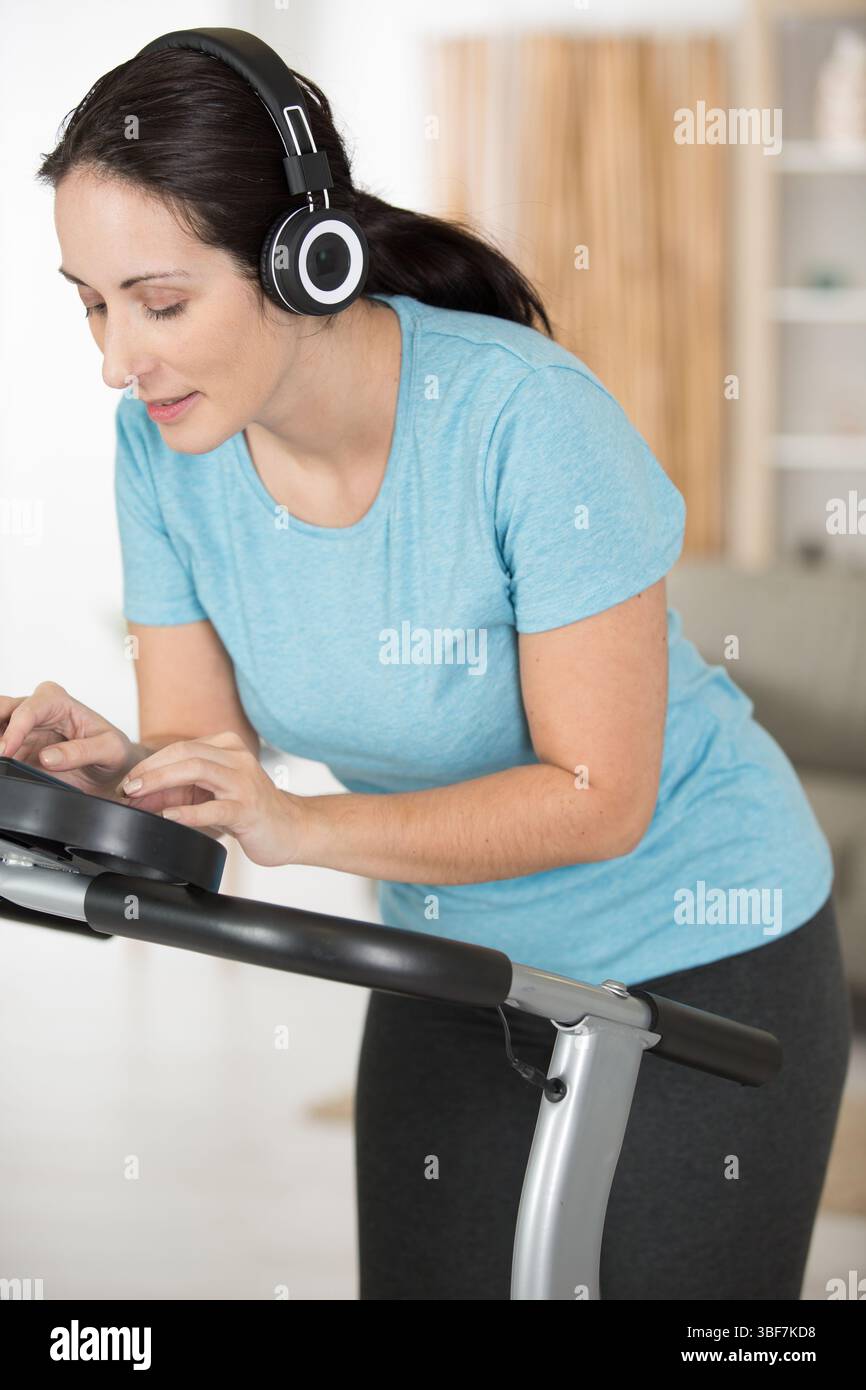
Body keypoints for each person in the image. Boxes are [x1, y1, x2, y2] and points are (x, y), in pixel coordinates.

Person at [2, 39, 851, 1300]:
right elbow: (213, 765)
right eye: (91, 300)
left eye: (161, 301)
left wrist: (302, 823)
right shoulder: (162, 449)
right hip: (459, 968)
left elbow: (595, 798)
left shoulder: (523, 422)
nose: (117, 359)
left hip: (700, 957)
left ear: (303, 258)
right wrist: (122, 773)